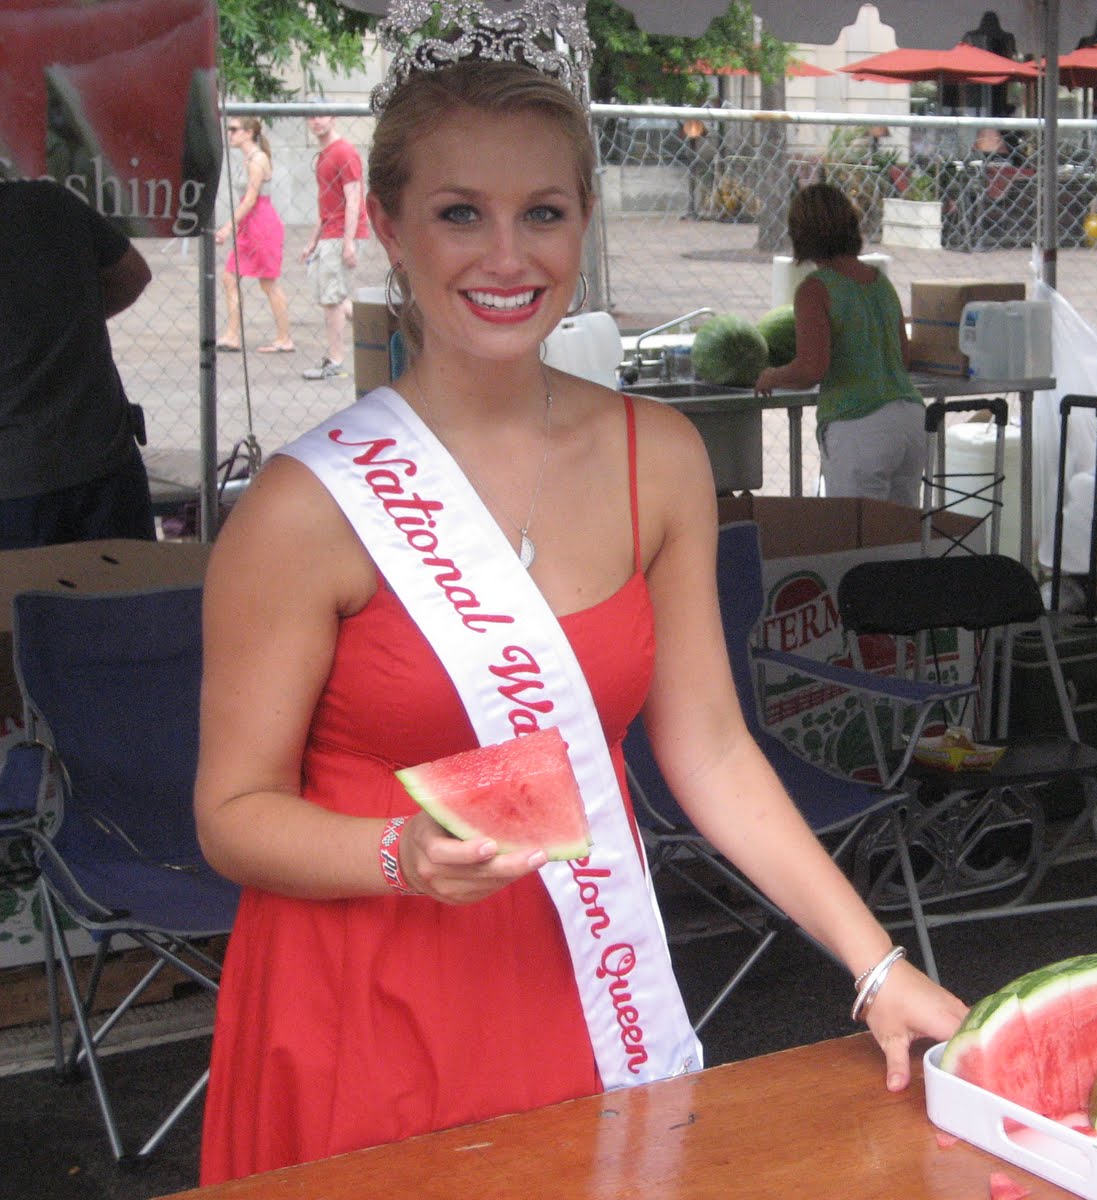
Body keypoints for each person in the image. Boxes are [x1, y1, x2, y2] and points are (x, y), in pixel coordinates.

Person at [195, 56, 965, 1184]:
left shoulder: (660, 459)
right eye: (462, 214)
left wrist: (874, 965)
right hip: (360, 1000)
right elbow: (229, 814)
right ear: (392, 225)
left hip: (577, 981)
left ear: (583, 223)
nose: (507, 258)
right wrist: (395, 852)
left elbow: (705, 745)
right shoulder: (307, 508)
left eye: (542, 214)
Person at [0, 179, 156, 549]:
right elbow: (134, 275)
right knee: (125, 601)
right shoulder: (51, 201)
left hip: (15, 489)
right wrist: (68, 319)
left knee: (22, 606)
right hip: (104, 465)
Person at [754, 183, 925, 506]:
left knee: (857, 539)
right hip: (910, 421)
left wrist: (771, 376)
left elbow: (811, 368)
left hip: (859, 426)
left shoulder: (815, 289)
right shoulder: (879, 283)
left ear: (800, 234)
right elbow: (904, 357)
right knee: (903, 541)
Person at [298, 112, 369, 380]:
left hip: (342, 233)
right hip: (329, 232)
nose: (316, 121)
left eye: (322, 115)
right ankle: (378, 327)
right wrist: (312, 241)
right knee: (332, 296)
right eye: (311, 117)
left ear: (334, 118)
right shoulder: (323, 155)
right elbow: (324, 204)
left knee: (332, 298)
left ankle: (335, 359)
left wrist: (349, 242)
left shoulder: (344, 153)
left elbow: (354, 199)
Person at [214, 116, 294, 354]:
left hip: (261, 225)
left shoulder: (257, 160)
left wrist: (227, 227)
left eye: (235, 129)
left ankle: (284, 337)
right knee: (230, 277)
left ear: (248, 132)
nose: (230, 134)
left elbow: (251, 199)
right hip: (250, 226)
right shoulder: (250, 158)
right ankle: (232, 335)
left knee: (268, 282)